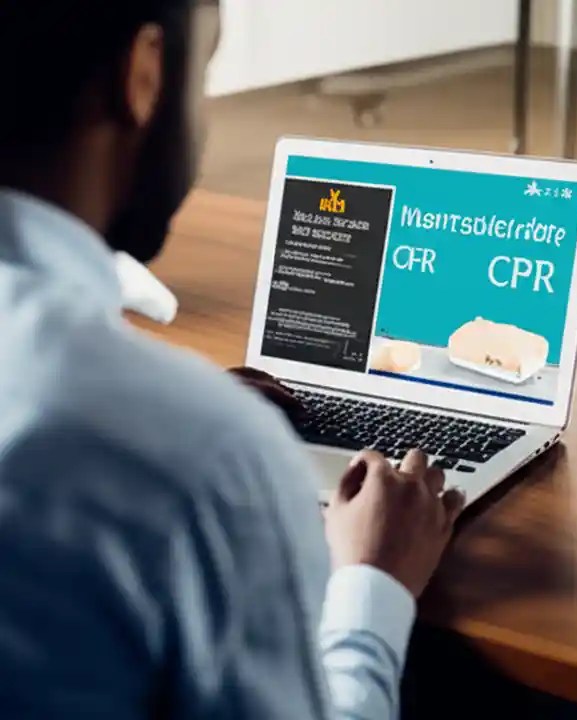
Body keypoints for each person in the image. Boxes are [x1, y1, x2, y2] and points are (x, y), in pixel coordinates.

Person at [0, 2, 463, 716]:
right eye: (205, 73)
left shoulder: (178, 437)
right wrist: (375, 582)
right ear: (145, 75)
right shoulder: (202, 458)